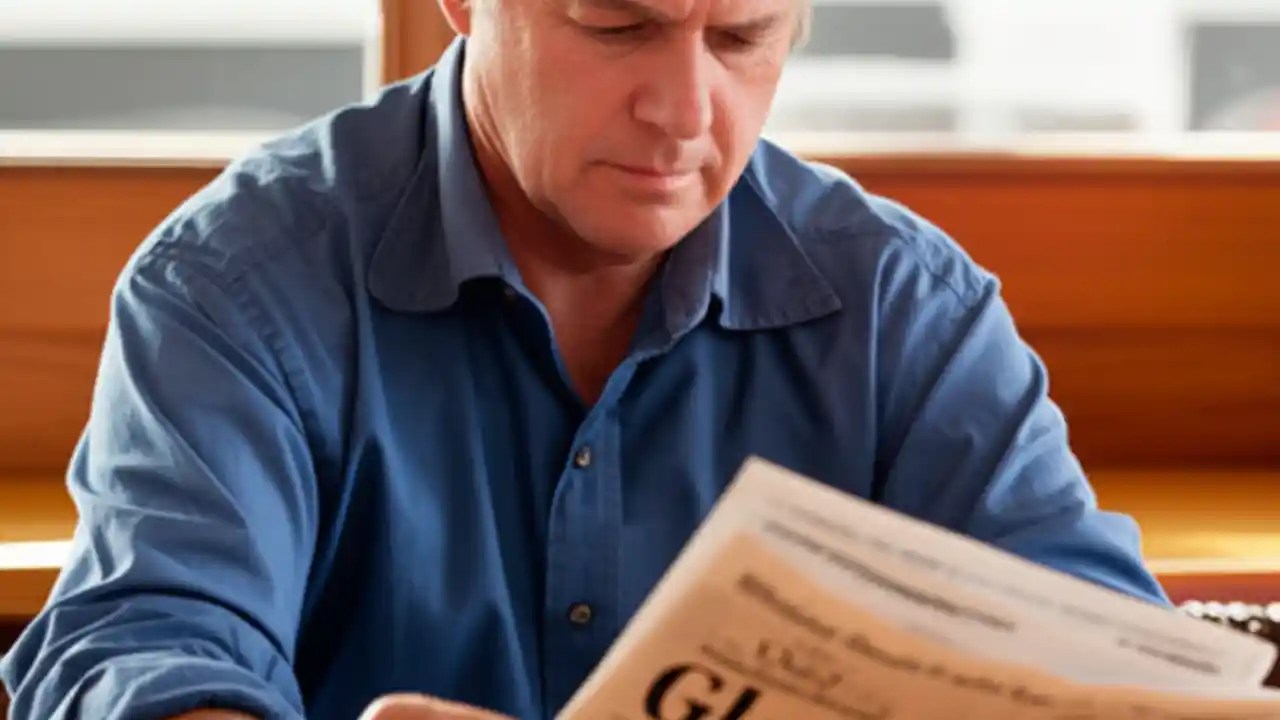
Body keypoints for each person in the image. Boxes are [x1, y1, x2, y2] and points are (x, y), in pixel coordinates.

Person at [0, 0, 1171, 718]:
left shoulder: (902, 312)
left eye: (742, 37)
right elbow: (143, 654)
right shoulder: (233, 285)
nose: (681, 107)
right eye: (617, 26)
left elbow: (1104, 668)